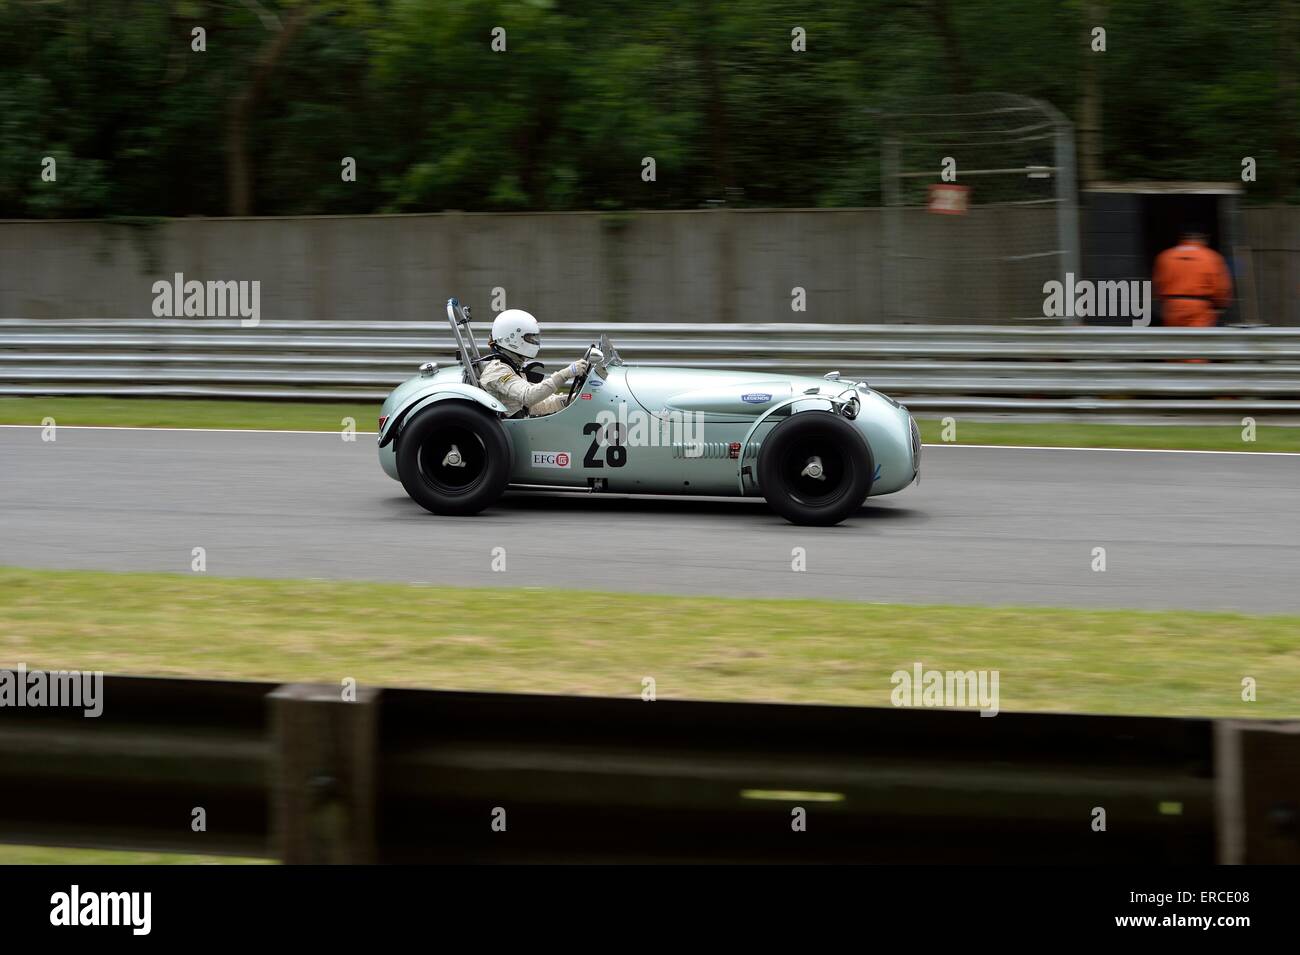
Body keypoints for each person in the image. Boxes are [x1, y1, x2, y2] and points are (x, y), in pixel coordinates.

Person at [478, 309, 589, 417]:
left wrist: (567, 400)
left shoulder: (511, 367)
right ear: (511, 338)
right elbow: (529, 396)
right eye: (529, 338)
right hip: (508, 427)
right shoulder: (497, 370)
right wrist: (566, 374)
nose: (534, 341)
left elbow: (532, 406)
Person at [1153, 225, 1233, 328]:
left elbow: (1158, 284)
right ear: (1203, 238)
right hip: (1200, 308)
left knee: (1174, 337)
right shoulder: (1211, 257)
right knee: (1197, 337)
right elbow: (1221, 287)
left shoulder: (1165, 256)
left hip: (1172, 306)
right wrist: (1221, 306)